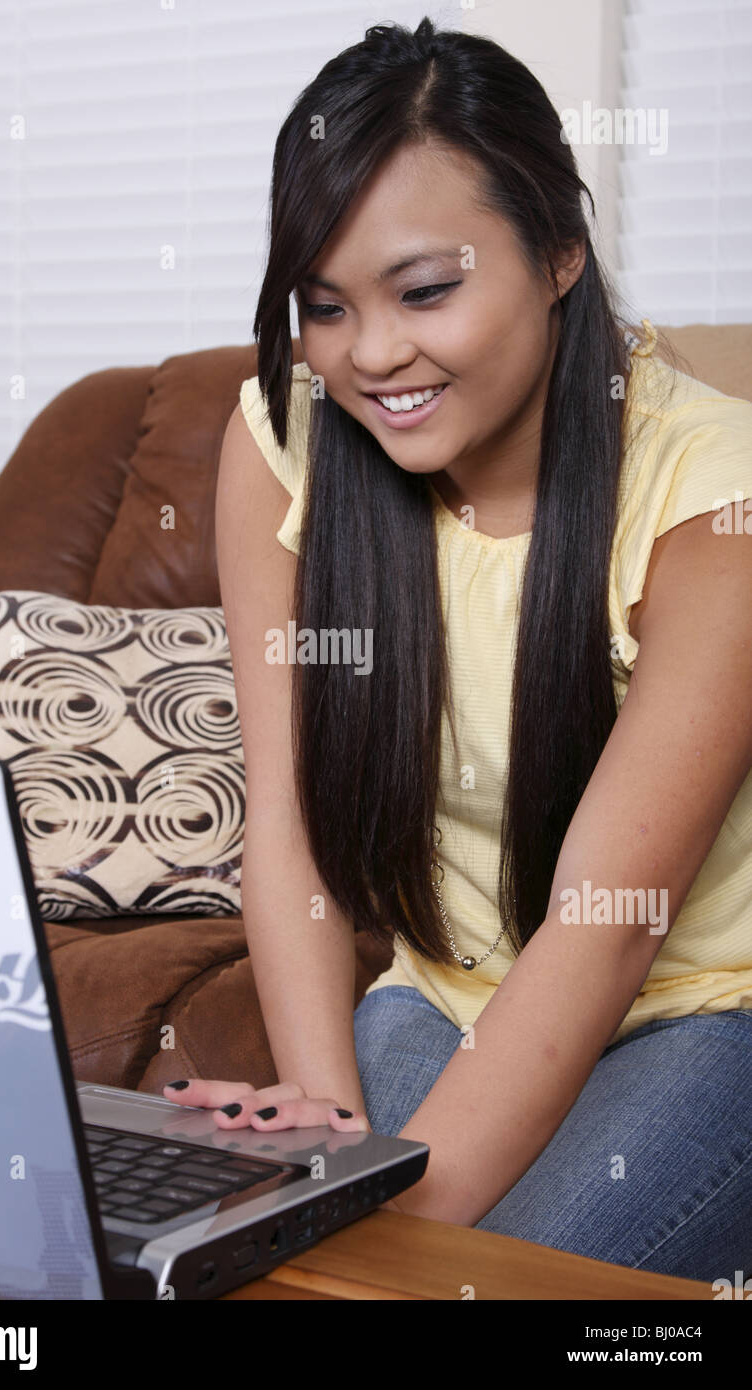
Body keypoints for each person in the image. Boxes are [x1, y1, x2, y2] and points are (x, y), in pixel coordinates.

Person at [165, 19, 752, 1282]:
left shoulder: (713, 497)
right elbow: (287, 819)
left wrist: (364, 1242)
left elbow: (605, 925)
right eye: (324, 307)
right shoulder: (285, 433)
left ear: (556, 253)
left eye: (424, 291)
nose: (370, 355)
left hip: (700, 1014)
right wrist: (331, 1145)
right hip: (441, 998)